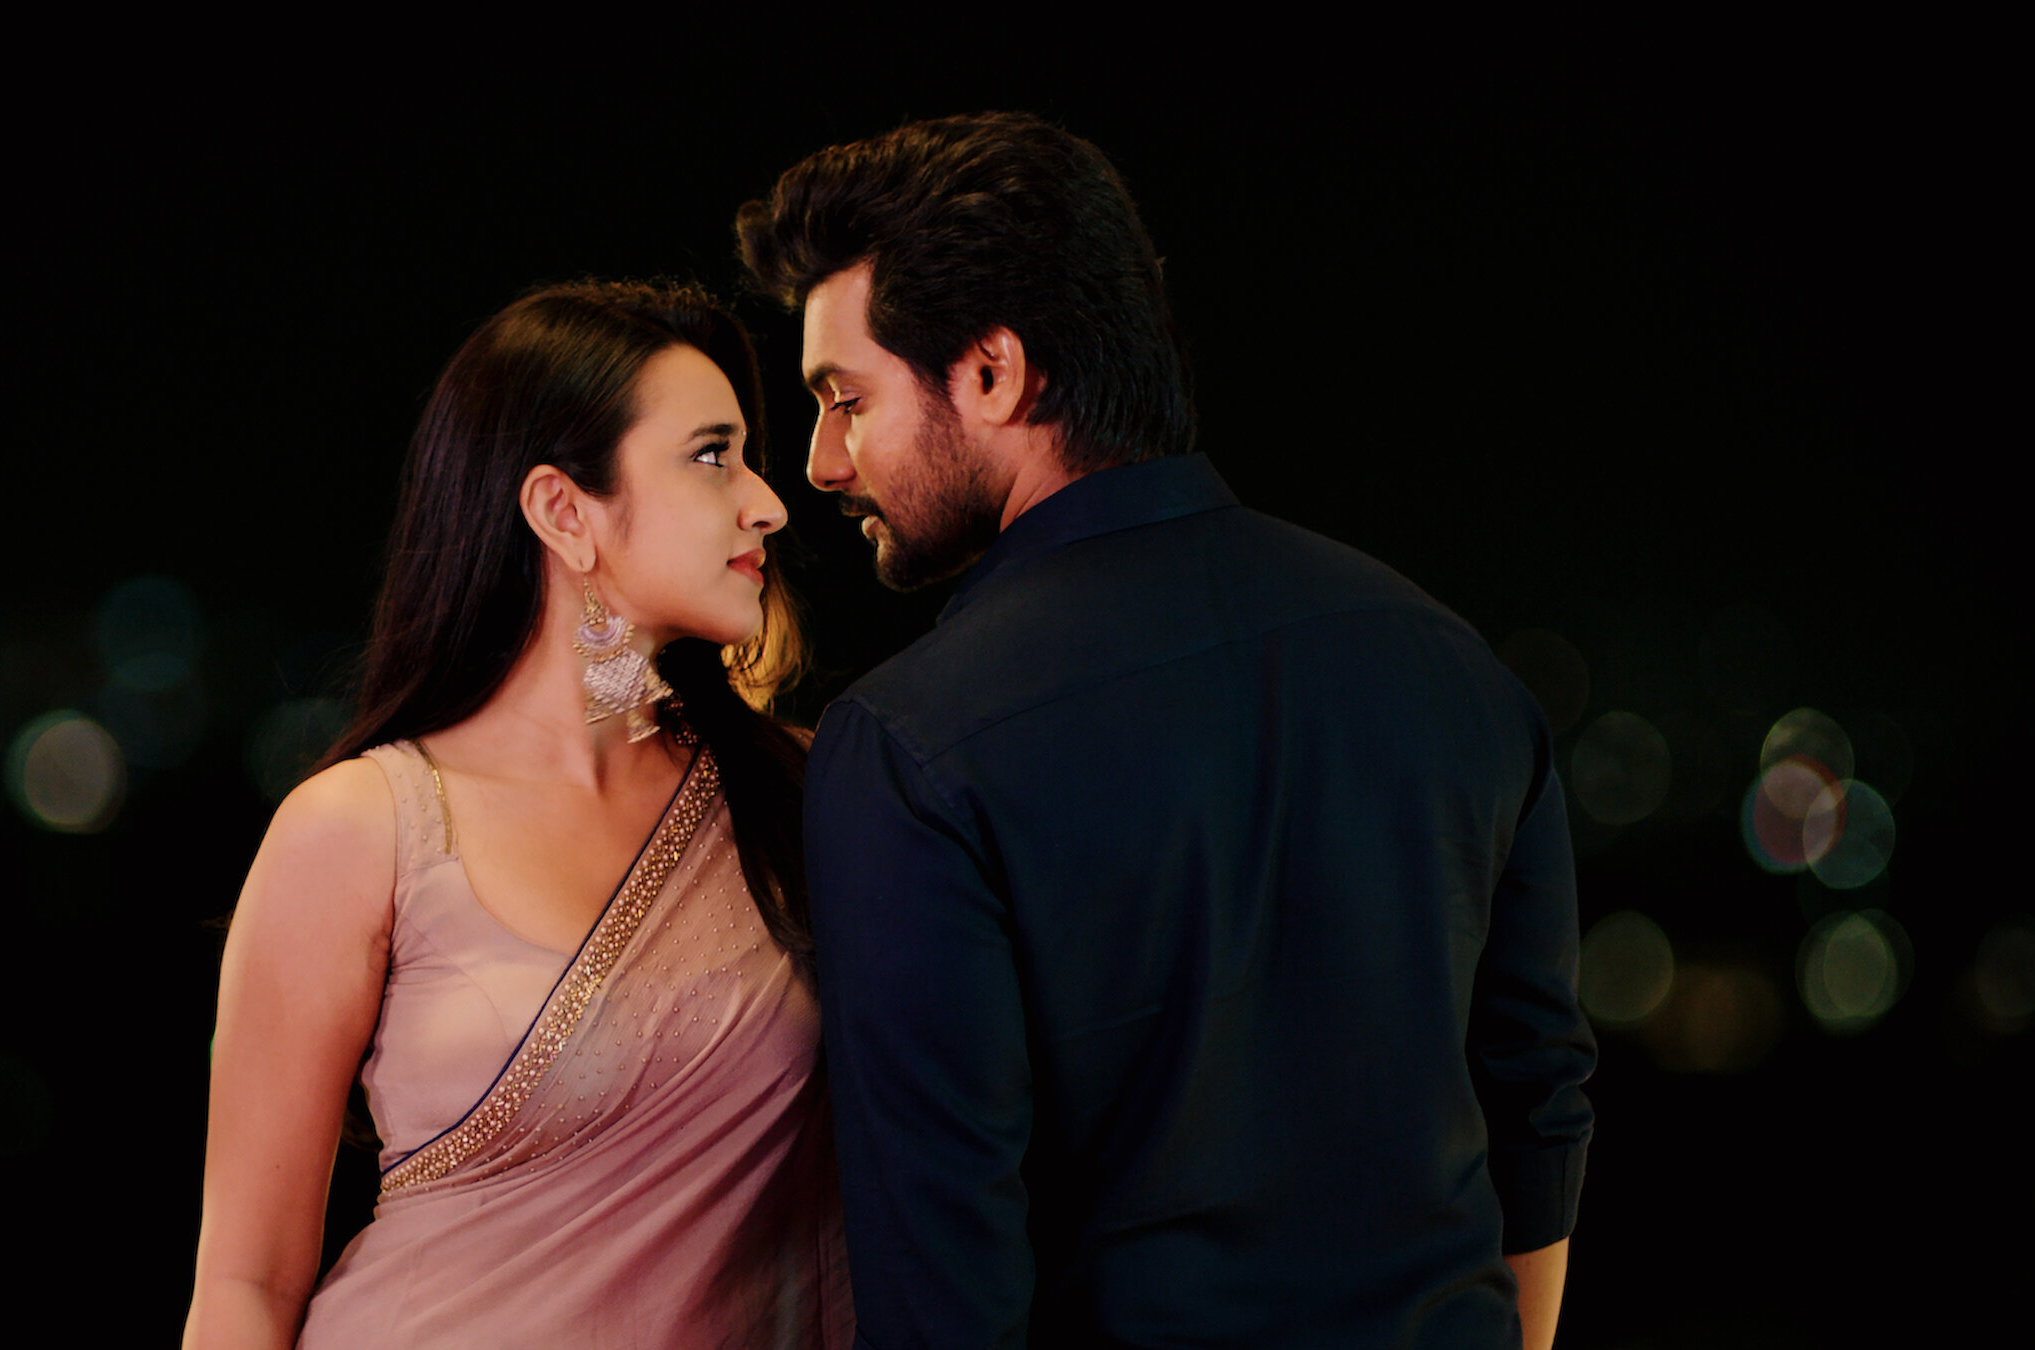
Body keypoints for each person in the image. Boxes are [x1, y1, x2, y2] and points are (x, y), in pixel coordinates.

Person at [735, 113, 1596, 1349]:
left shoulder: (910, 746)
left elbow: (942, 1278)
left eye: (843, 398)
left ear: (992, 373)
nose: (823, 462)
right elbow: (1538, 1103)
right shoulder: (1457, 667)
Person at [181, 281, 852, 1349]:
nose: (767, 501)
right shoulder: (363, 829)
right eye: (711, 456)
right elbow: (246, 1284)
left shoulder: (802, 799)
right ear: (563, 512)